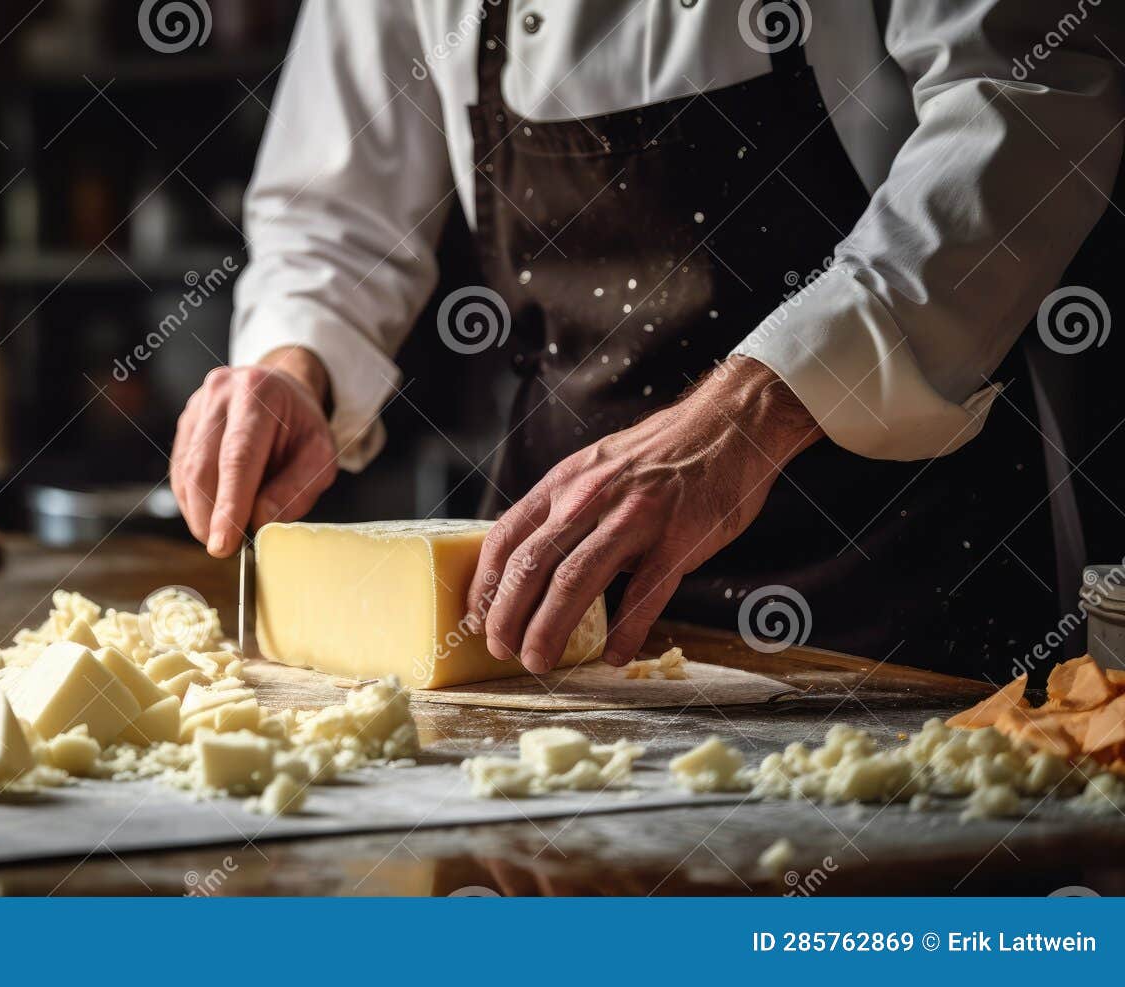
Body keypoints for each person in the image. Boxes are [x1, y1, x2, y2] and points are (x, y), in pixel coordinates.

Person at [169, 0, 1125, 675]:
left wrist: (748, 417)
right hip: (553, 601)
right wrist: (293, 361)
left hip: (900, 578)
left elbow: (1023, 106)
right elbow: (333, 215)